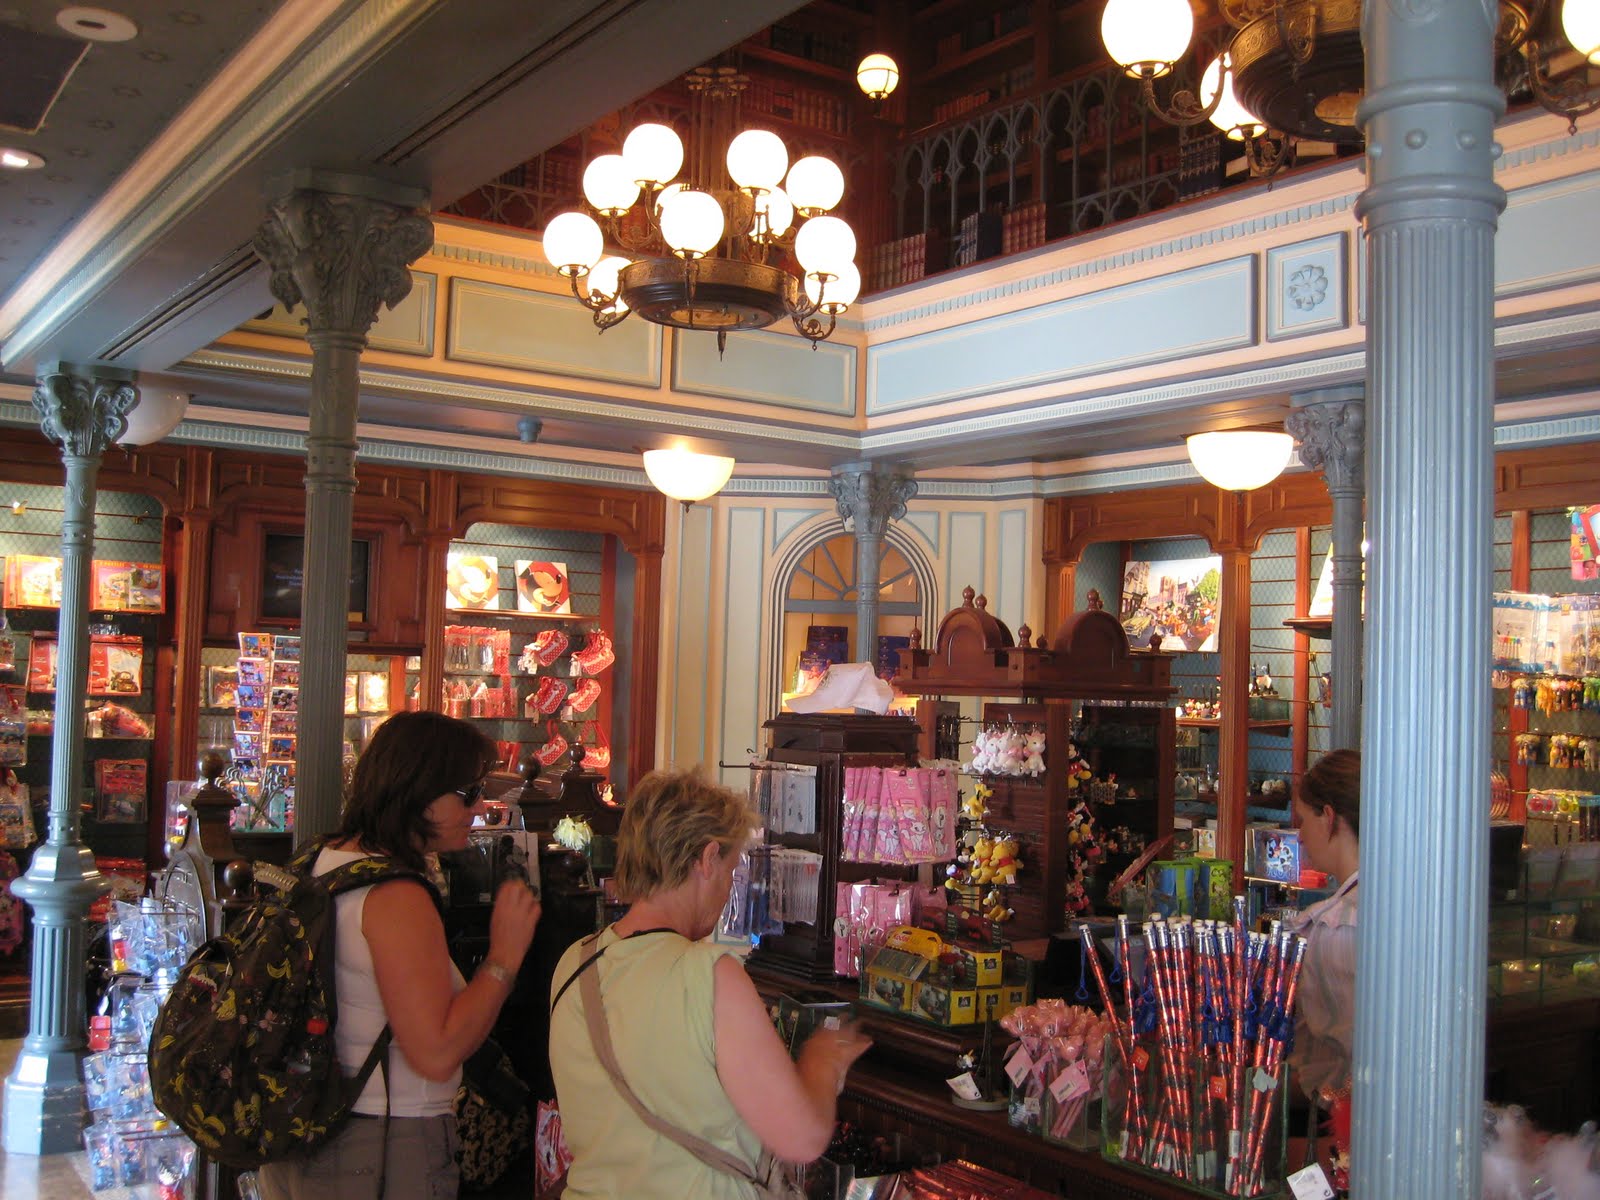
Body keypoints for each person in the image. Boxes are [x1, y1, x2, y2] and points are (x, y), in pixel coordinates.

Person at [549, 767, 872, 1199]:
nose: (727, 890)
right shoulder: (709, 973)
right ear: (706, 858)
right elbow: (802, 1137)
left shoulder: (575, 963)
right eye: (730, 870)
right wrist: (822, 1060)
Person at [259, 710, 541, 1200]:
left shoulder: (323, 858)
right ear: (419, 791)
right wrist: (506, 956)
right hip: (377, 1146)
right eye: (468, 793)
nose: (478, 808)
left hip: (311, 1128)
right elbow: (436, 1051)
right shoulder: (394, 896)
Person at [1287, 747, 1361, 1103]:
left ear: (1329, 817)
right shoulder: (1413, 906)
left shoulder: (1331, 929)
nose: (1299, 835)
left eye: (1303, 819)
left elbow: (1332, 1070)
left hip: (1347, 1130)